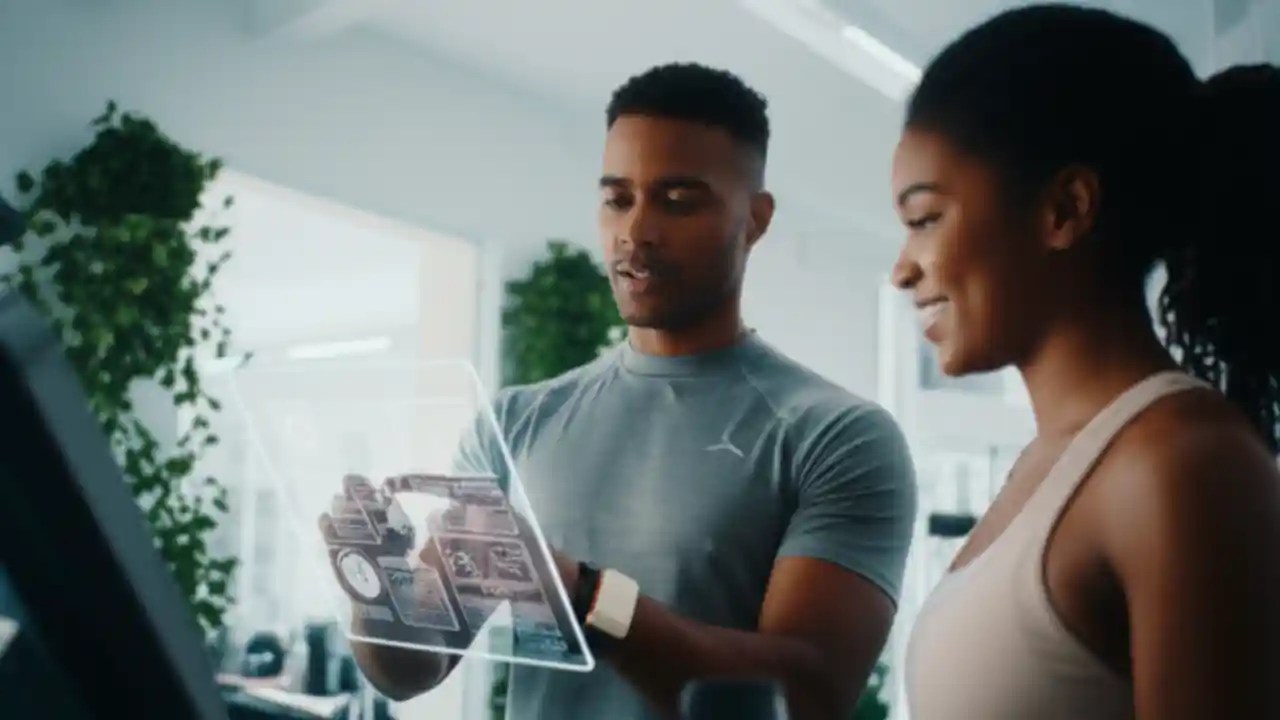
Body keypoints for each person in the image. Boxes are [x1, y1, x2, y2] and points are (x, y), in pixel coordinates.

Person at [345, 62, 918, 719]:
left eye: (677, 201)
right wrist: (374, 580)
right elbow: (411, 670)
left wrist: (582, 594)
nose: (636, 230)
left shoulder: (837, 436)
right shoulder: (514, 422)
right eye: (618, 198)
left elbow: (809, 691)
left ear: (754, 220)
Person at [891, 5, 1280, 720]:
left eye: (925, 220)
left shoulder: (1181, 463)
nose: (902, 270)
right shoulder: (1059, 463)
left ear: (1064, 210)